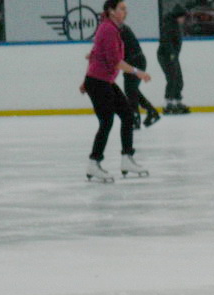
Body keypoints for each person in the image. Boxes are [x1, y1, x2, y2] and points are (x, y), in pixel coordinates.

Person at [81, 0, 150, 182]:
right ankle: (93, 163)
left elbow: (95, 53)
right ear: (111, 11)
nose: (125, 12)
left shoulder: (111, 28)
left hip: (103, 81)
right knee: (107, 121)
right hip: (98, 82)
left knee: (127, 115)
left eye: (125, 9)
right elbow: (116, 62)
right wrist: (138, 72)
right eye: (122, 9)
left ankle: (127, 158)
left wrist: (84, 80)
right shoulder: (109, 29)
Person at [120, 18, 159, 128]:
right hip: (135, 60)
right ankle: (151, 112)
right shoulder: (121, 28)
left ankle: (136, 117)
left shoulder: (120, 30)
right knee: (132, 89)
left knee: (130, 89)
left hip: (135, 61)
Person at [157, 5, 189, 115]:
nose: (184, 19)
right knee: (172, 78)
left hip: (173, 55)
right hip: (166, 55)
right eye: (182, 17)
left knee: (178, 78)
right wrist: (171, 54)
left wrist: (174, 55)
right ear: (177, 16)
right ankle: (168, 103)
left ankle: (177, 101)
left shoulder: (175, 24)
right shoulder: (169, 25)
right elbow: (166, 41)